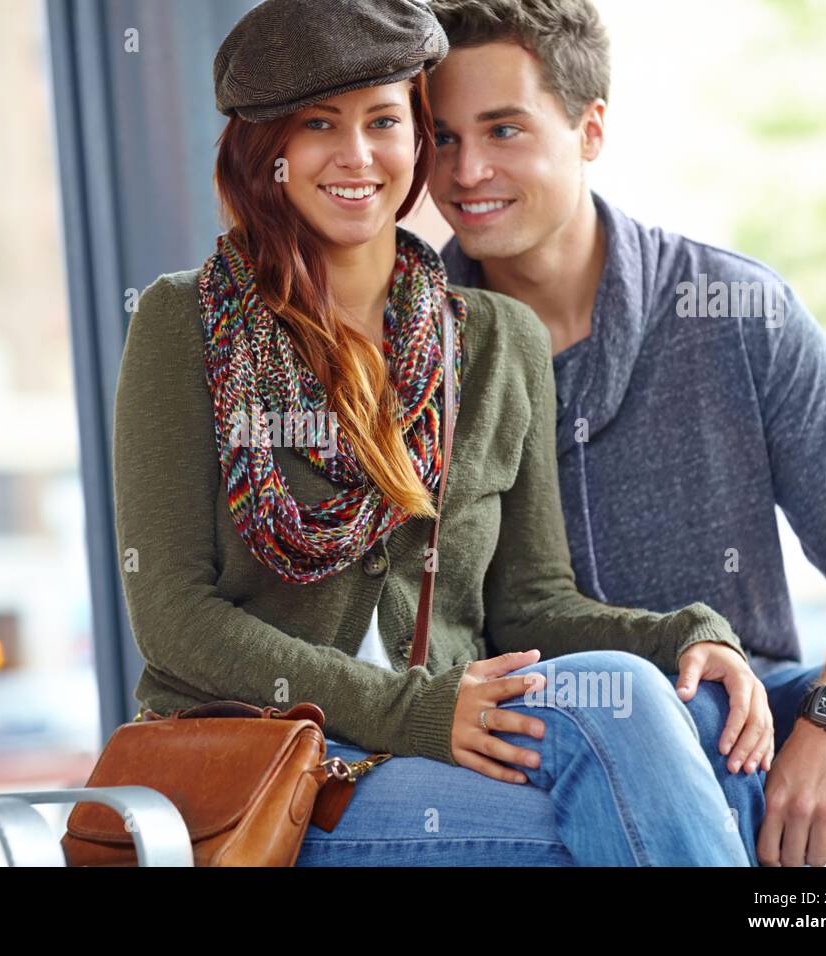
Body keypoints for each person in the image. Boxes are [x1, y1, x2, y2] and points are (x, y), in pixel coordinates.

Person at [113, 0, 766, 865]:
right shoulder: (183, 321)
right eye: (318, 124)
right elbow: (174, 617)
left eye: (383, 121)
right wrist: (409, 709)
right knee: (577, 835)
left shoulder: (498, 339)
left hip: (447, 739)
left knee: (653, 698)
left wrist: (687, 635)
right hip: (271, 770)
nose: (357, 155)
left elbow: (531, 605)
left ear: (416, 140)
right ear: (266, 149)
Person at [425, 0, 826, 867]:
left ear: (590, 130)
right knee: (644, 705)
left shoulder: (736, 310)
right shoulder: (411, 352)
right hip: (548, 752)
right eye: (442, 137)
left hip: (756, 727)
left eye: (504, 130)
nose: (467, 170)